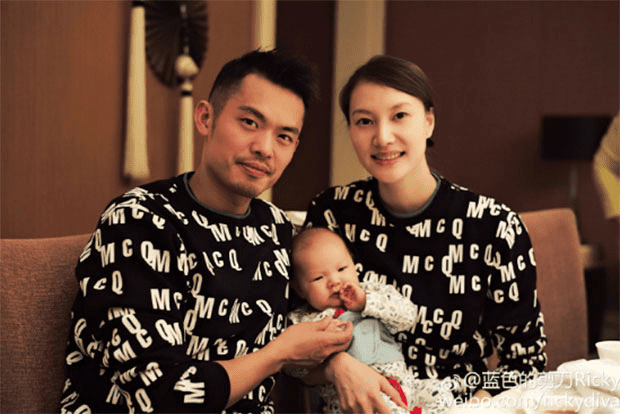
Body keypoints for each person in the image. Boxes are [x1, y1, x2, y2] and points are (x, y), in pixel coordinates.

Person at [59, 49, 354, 414]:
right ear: (205, 118)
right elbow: (160, 396)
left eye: (284, 136)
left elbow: (305, 337)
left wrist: (339, 366)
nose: (264, 148)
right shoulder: (140, 221)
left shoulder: (277, 228)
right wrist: (278, 354)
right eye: (250, 122)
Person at [303, 55, 547, 412]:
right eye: (364, 121)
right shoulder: (332, 214)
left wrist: (476, 406)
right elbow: (292, 341)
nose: (382, 137)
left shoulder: (493, 226)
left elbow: (525, 365)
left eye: (399, 115)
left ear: (428, 121)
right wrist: (336, 366)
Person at [287, 227, 454, 414]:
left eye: (342, 269)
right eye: (318, 277)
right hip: (358, 396)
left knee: (441, 394)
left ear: (354, 265)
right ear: (298, 288)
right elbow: (292, 366)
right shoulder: (304, 321)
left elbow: (408, 317)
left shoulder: (372, 292)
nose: (334, 281)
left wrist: (367, 302)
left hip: (406, 383)